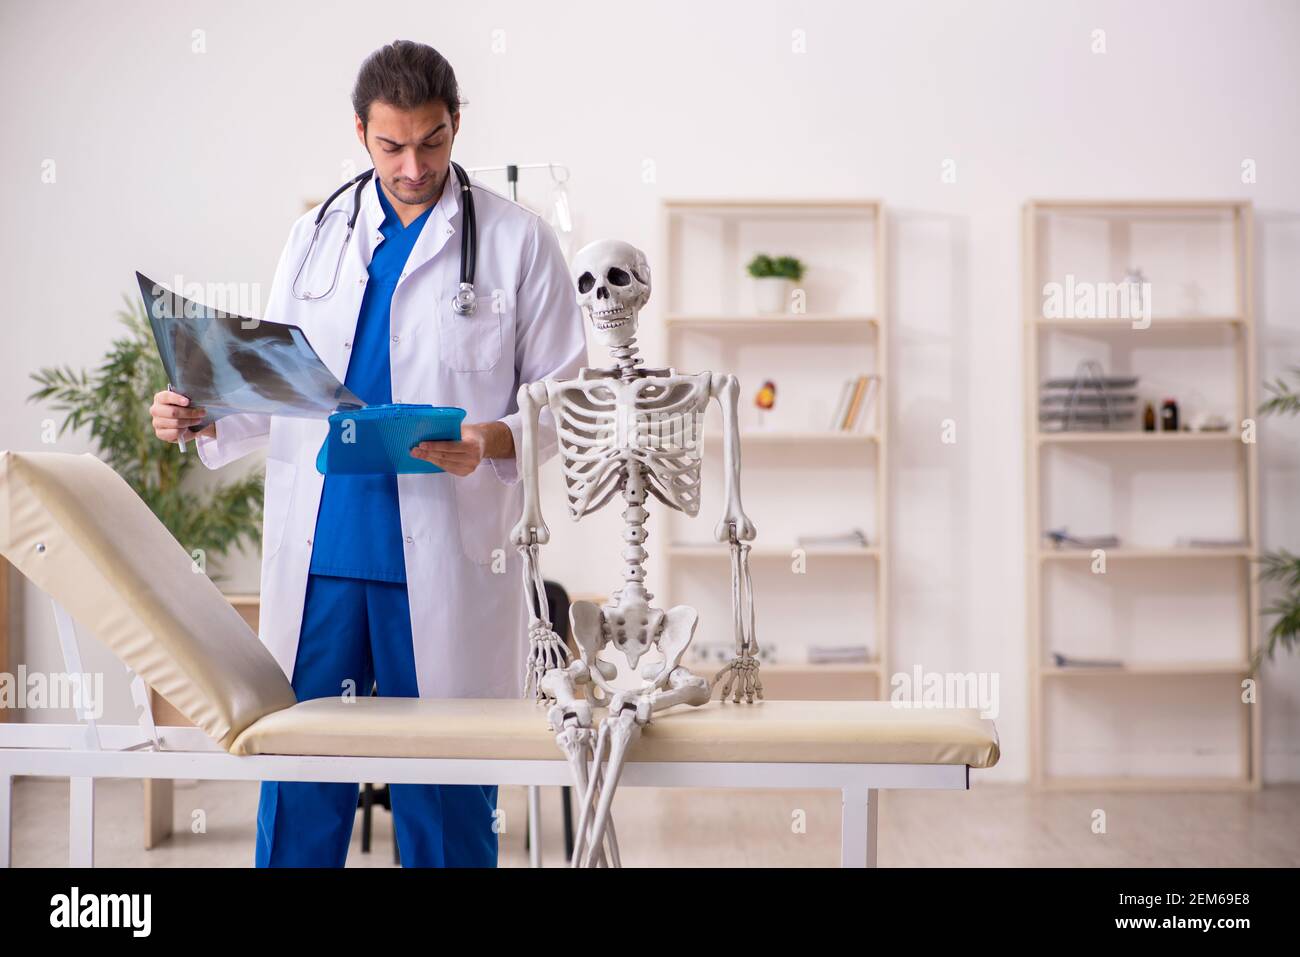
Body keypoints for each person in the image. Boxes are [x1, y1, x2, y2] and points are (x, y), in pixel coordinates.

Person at [149, 40, 586, 867]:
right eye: (393, 145)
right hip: (326, 557)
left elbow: (567, 402)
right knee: (302, 781)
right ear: (360, 132)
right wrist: (200, 414)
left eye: (433, 141)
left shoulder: (517, 242)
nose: (414, 165)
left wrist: (490, 439)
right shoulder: (315, 235)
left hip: (448, 551)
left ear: (458, 126)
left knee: (447, 795)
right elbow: (274, 386)